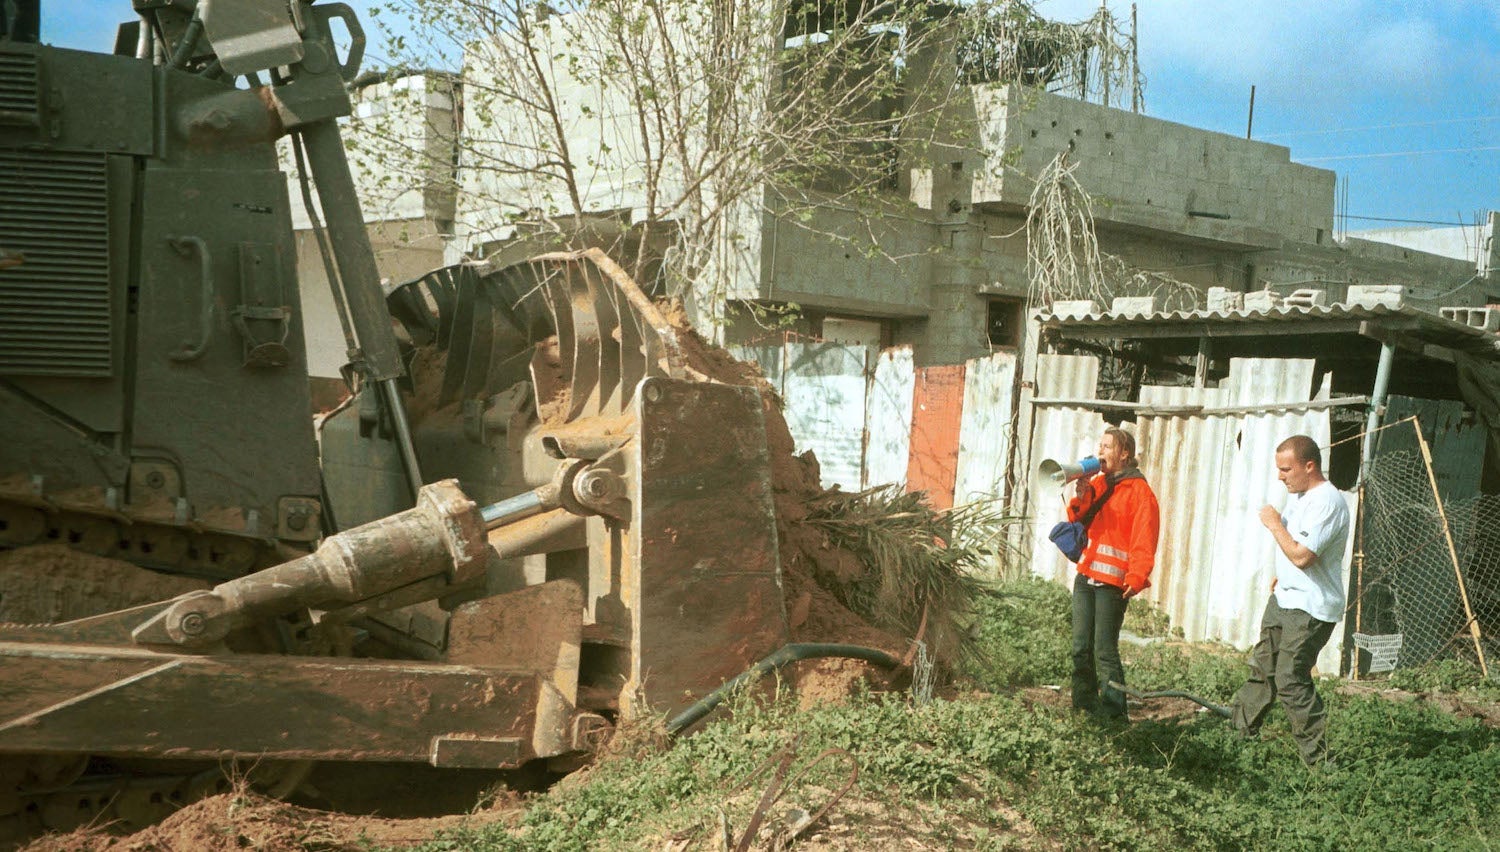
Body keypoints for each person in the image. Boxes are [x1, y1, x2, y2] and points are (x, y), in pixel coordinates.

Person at [1230, 434, 1349, 766]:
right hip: (1285, 598)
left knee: (1290, 679)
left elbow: (1302, 556)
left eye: (1286, 469)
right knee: (1263, 669)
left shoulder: (1327, 501)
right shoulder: (1301, 495)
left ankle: (1321, 763)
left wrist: (1273, 524)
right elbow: (1296, 552)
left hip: (1310, 608)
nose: (1280, 476)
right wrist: (1284, 574)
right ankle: (1238, 736)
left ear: (1309, 466)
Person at [1067, 426, 1160, 721]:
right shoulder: (1099, 482)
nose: (1101, 451)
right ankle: (1083, 705)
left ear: (1124, 454)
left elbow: (1144, 538)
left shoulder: (1140, 492)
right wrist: (1081, 494)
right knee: (1081, 646)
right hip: (1086, 575)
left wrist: (1136, 577)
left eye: (1107, 447)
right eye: (1100, 445)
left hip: (1112, 584)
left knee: (1104, 650)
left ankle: (1114, 714)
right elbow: (1077, 516)